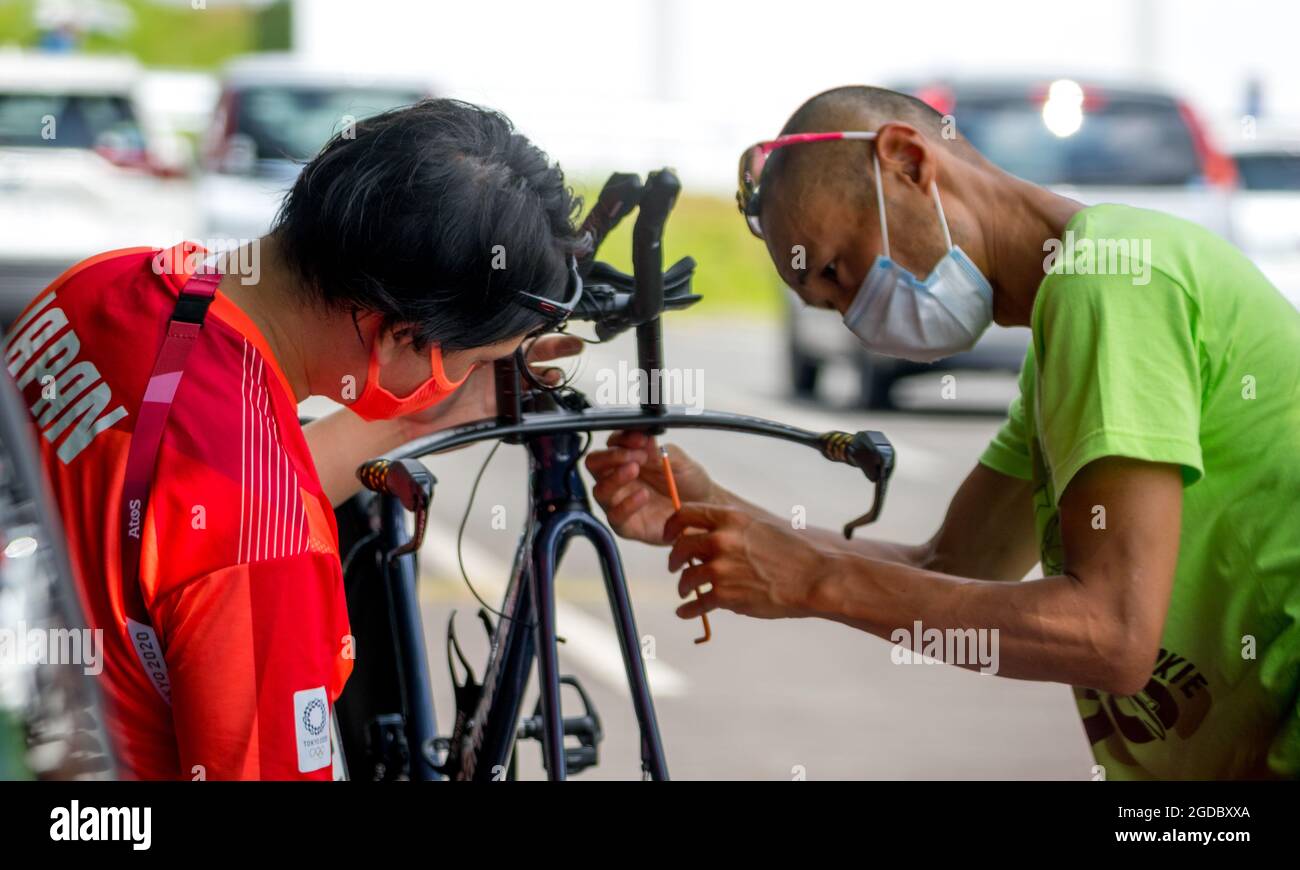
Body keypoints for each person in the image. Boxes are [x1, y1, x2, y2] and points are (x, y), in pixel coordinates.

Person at [586, 86, 1300, 780]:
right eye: (829, 304)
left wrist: (817, 582)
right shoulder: (1073, 313)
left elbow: (1109, 635)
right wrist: (714, 510)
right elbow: (953, 567)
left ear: (908, 162)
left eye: (839, 269)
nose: (857, 316)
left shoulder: (1112, 279)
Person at [4, 99, 582, 780]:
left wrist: (422, 413)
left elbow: (176, 528)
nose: (476, 375)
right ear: (398, 333)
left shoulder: (100, 283)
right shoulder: (265, 536)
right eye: (478, 360)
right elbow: (234, 539)